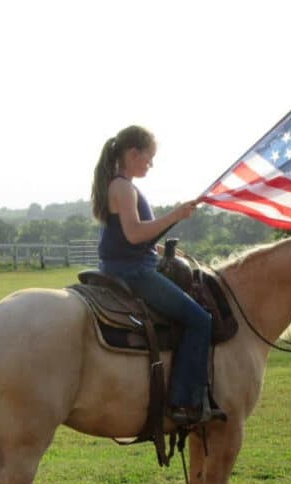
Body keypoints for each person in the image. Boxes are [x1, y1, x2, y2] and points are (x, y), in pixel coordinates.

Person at [90, 125, 224, 427]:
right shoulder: (124, 188)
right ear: (134, 154)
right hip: (134, 272)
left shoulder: (117, 185)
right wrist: (175, 215)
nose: (151, 164)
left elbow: (127, 237)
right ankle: (183, 400)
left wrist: (164, 249)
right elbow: (135, 234)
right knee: (200, 320)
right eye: (149, 158)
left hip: (125, 265)